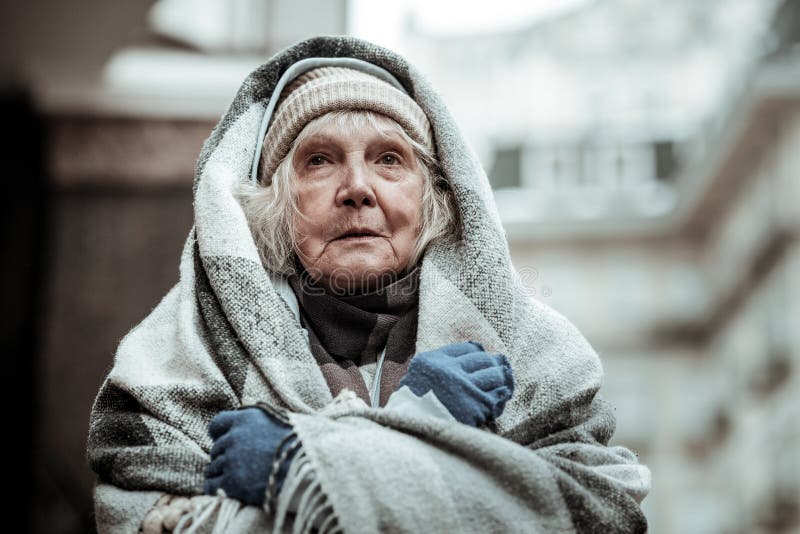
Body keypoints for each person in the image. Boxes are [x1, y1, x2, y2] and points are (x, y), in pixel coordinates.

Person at [86, 36, 651, 533]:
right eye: (319, 161)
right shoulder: (179, 357)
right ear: (274, 207)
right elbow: (143, 521)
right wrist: (421, 430)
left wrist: (295, 464)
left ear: (432, 200)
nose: (357, 187)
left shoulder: (533, 351)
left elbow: (602, 512)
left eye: (388, 159)